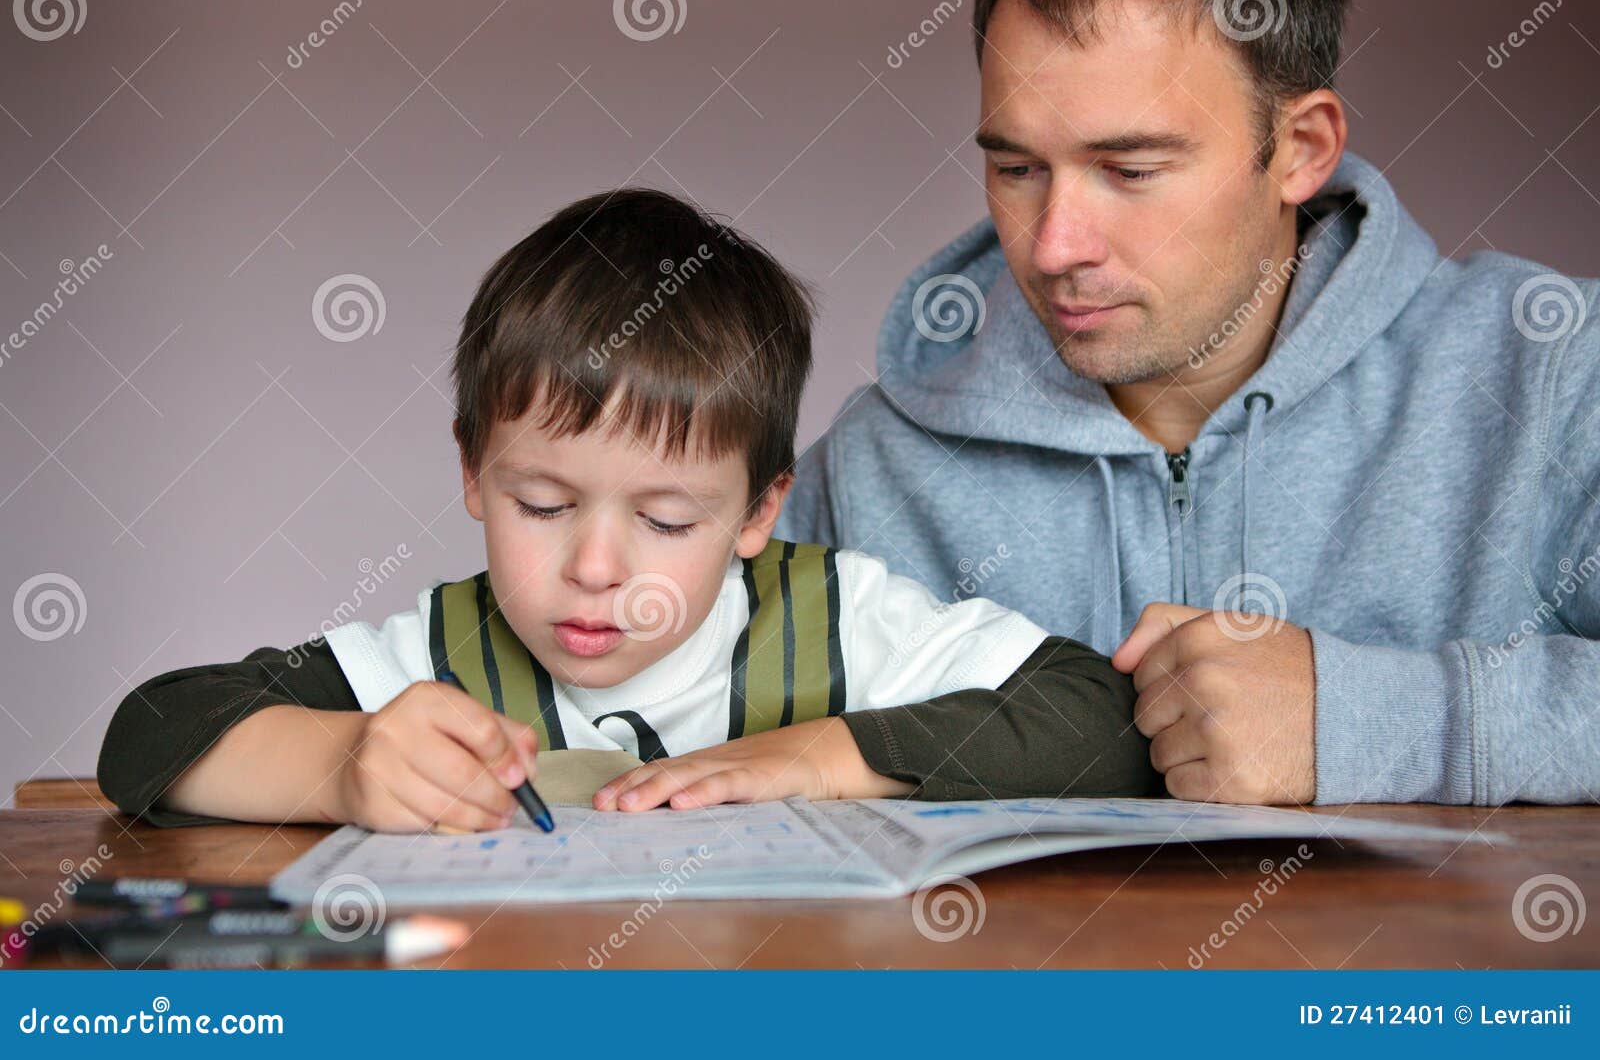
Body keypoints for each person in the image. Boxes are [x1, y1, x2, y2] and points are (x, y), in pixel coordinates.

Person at [779, 0, 1600, 806]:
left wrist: (1362, 720)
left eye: (1130, 172)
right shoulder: (873, 463)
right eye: (1017, 170)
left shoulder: (1552, 368)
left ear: (1300, 149)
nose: (1055, 247)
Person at [97, 188, 1158, 834]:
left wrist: (817, 756)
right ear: (473, 472)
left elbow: (1102, 720)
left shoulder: (841, 617)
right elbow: (151, 732)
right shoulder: (437, 652)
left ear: (758, 509)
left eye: (665, 520)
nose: (596, 566)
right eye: (544, 501)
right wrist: (342, 762)